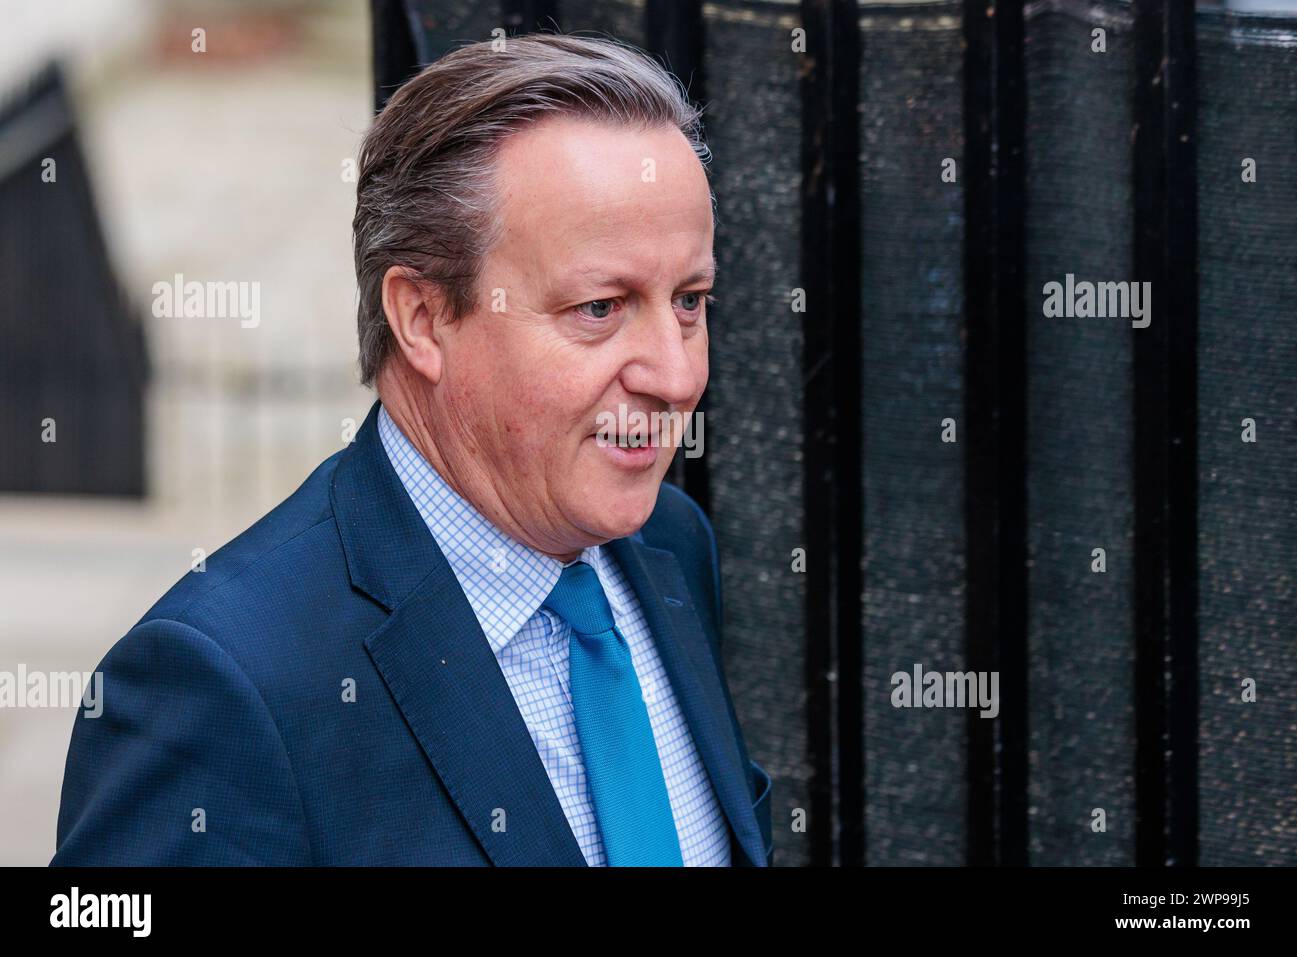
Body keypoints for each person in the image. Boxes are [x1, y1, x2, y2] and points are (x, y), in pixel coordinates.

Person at [50, 32, 772, 866]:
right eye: (600, 308)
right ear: (423, 318)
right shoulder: (219, 686)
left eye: (689, 300)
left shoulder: (672, 546)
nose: (677, 375)